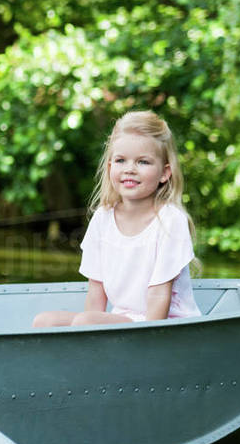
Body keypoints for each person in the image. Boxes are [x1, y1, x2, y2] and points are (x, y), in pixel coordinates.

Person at [32, 110, 200, 327]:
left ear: (164, 173)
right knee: (44, 321)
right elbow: (96, 292)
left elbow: (159, 294)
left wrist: (148, 338)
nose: (130, 169)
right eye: (121, 160)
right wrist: (88, 334)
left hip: (165, 325)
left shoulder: (170, 221)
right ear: (110, 167)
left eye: (143, 162)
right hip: (126, 319)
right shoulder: (103, 218)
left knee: (85, 321)